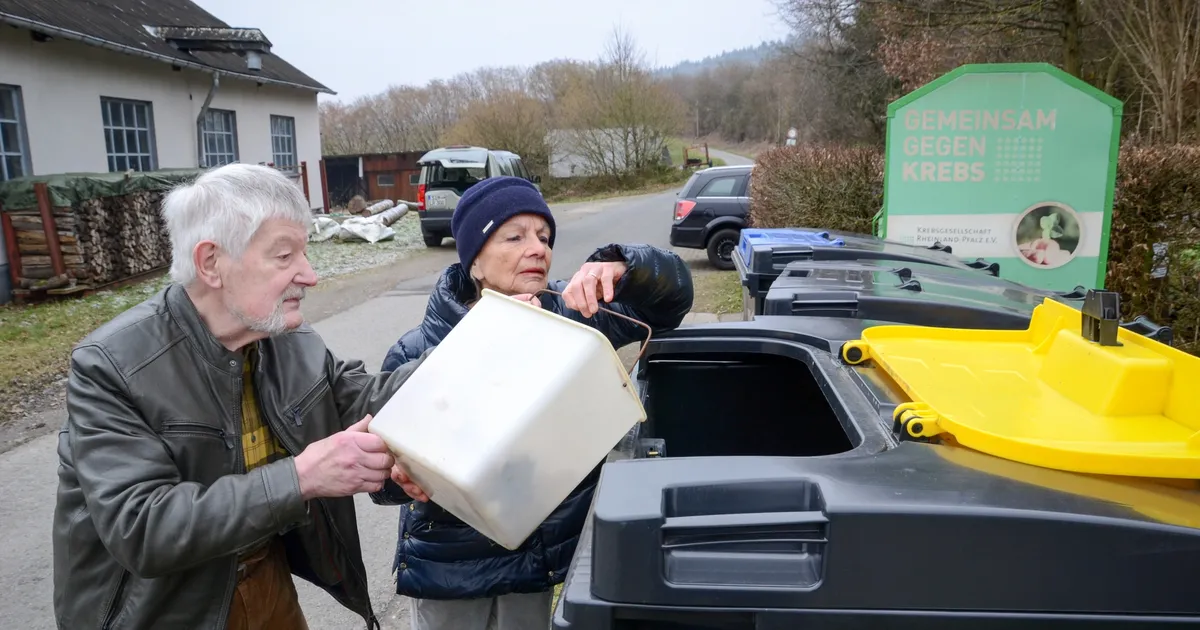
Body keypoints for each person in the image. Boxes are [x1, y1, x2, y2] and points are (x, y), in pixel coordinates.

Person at [51, 163, 426, 630]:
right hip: (162, 611)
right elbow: (142, 528)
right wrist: (301, 478)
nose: (310, 275)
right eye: (284, 256)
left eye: (305, 252)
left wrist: (472, 352)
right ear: (211, 263)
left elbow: (366, 399)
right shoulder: (111, 365)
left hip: (266, 584)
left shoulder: (288, 338)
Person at [374, 176, 694, 630]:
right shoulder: (420, 348)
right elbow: (378, 478)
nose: (538, 249)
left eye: (544, 237)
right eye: (515, 237)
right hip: (446, 572)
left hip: (530, 564)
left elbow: (672, 304)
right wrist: (399, 477)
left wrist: (626, 267)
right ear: (475, 261)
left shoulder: (575, 317)